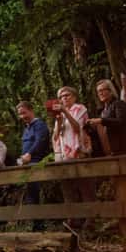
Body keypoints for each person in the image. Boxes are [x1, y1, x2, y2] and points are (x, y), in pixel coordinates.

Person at [50, 86, 94, 225]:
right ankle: (74, 219)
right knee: (68, 188)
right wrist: (58, 119)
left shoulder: (80, 108)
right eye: (61, 96)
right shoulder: (60, 113)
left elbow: (77, 128)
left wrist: (65, 112)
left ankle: (91, 219)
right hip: (64, 155)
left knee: (85, 187)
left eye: (67, 95)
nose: (64, 98)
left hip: (79, 152)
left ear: (74, 96)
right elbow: (56, 136)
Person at [87, 79, 126, 156]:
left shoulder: (119, 104)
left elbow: (122, 121)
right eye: (98, 91)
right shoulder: (102, 111)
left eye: (102, 90)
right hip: (108, 151)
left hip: (122, 149)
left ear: (111, 91)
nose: (100, 93)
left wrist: (101, 120)